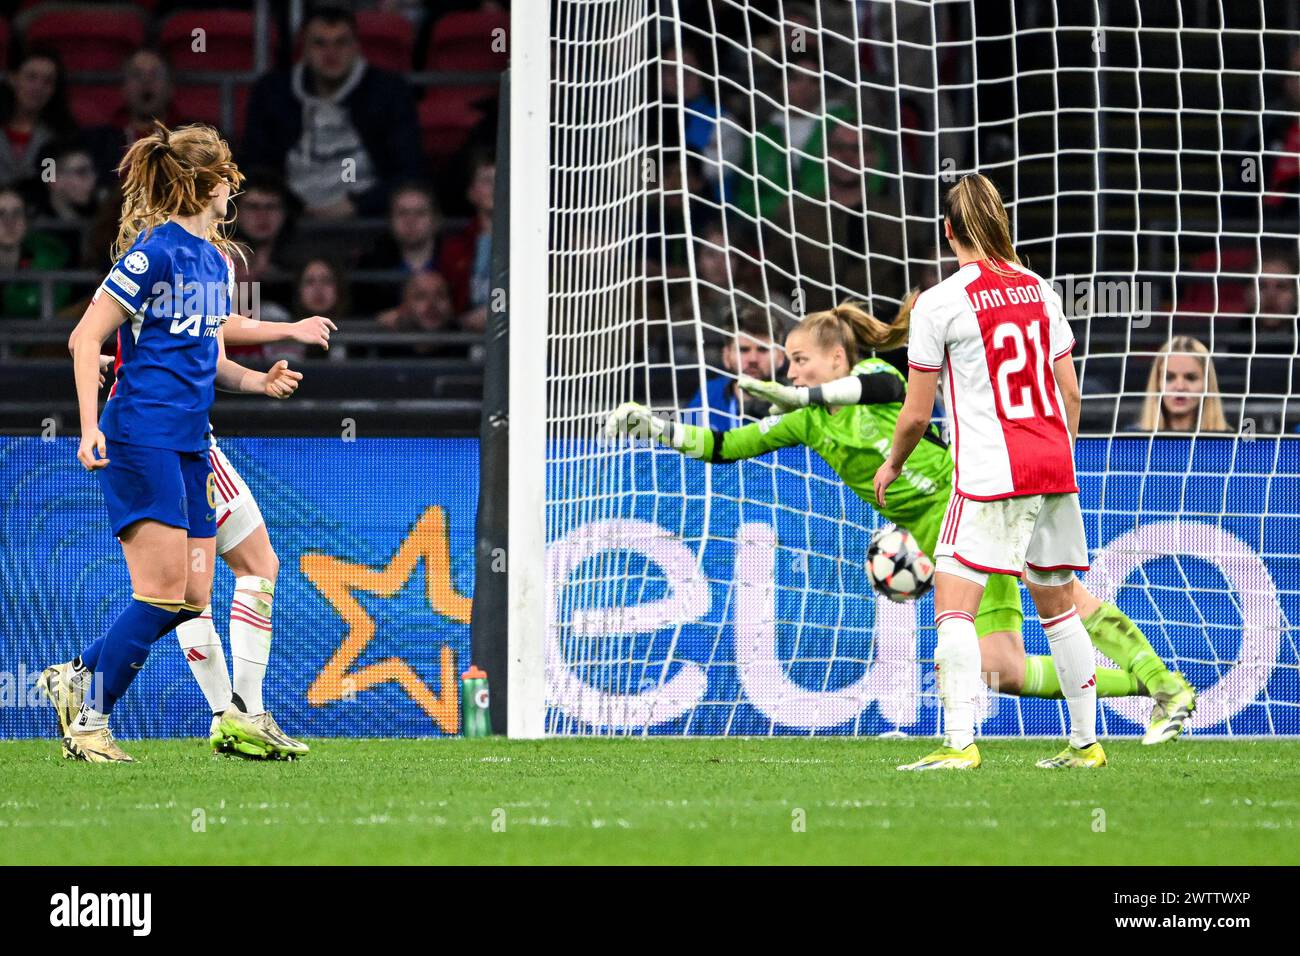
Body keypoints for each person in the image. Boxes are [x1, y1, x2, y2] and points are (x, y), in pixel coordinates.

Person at [607, 294, 1193, 759]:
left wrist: (802, 393)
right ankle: (1153, 685)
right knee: (1008, 669)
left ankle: (964, 746)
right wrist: (658, 428)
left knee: (1053, 600)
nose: (791, 369)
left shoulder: (876, 376)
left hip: (978, 502)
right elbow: (723, 444)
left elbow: (887, 386)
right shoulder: (807, 423)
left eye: (800, 359)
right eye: (787, 362)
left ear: (837, 359)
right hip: (947, 537)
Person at [38, 122, 303, 763]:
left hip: (188, 445)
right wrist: (89, 424)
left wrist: (259, 371)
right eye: (228, 173)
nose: (234, 183)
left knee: (189, 599)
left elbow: (206, 342)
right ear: (211, 182)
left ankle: (75, 679)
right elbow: (83, 338)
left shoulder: (212, 259)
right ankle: (92, 723)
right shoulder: (151, 253)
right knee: (158, 592)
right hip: (141, 438)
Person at [874, 173, 1104, 770]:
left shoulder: (939, 302)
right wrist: (1055, 456)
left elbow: (917, 411)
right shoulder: (1039, 288)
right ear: (1002, 222)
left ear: (947, 230)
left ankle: (958, 744)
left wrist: (893, 463)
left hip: (988, 475)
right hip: (1054, 464)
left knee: (953, 605)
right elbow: (1071, 394)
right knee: (1057, 607)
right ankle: (1086, 745)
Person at [241, 3, 422, 218]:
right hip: (290, 221)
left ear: (356, 47)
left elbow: (409, 170)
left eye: (341, 43)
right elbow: (256, 166)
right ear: (304, 49)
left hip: (370, 220)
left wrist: (359, 205)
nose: (331, 53)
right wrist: (292, 206)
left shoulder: (389, 91)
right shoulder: (272, 92)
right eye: (320, 44)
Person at [84, 49, 178, 186]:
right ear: (123, 88)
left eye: (155, 75)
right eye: (136, 75)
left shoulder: (197, 138)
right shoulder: (97, 143)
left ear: (170, 87)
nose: (146, 82)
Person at [683, 306, 783, 429]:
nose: (753, 359)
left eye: (762, 350)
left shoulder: (796, 402)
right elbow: (689, 445)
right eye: (743, 350)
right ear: (726, 356)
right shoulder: (707, 394)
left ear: (780, 356)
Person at [356, 181, 443, 312]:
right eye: (402, 213)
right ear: (390, 221)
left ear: (436, 220)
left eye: (420, 213)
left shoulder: (454, 265)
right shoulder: (372, 268)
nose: (410, 220)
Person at [0, 47, 77, 187]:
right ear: (12, 79)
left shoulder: (61, 136)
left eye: (48, 81)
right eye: (31, 77)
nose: (38, 87)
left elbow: (51, 186)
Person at [438, 155, 494, 332]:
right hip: (463, 341)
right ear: (471, 192)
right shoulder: (455, 248)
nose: (497, 187)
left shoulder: (530, 244)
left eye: (504, 179)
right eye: (487, 180)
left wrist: (496, 314)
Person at [1133, 336, 1231, 432]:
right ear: (1157, 382)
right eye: (1169, 378)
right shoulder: (1130, 441)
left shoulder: (1232, 442)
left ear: (1207, 383)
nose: (1180, 387)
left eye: (1190, 378)